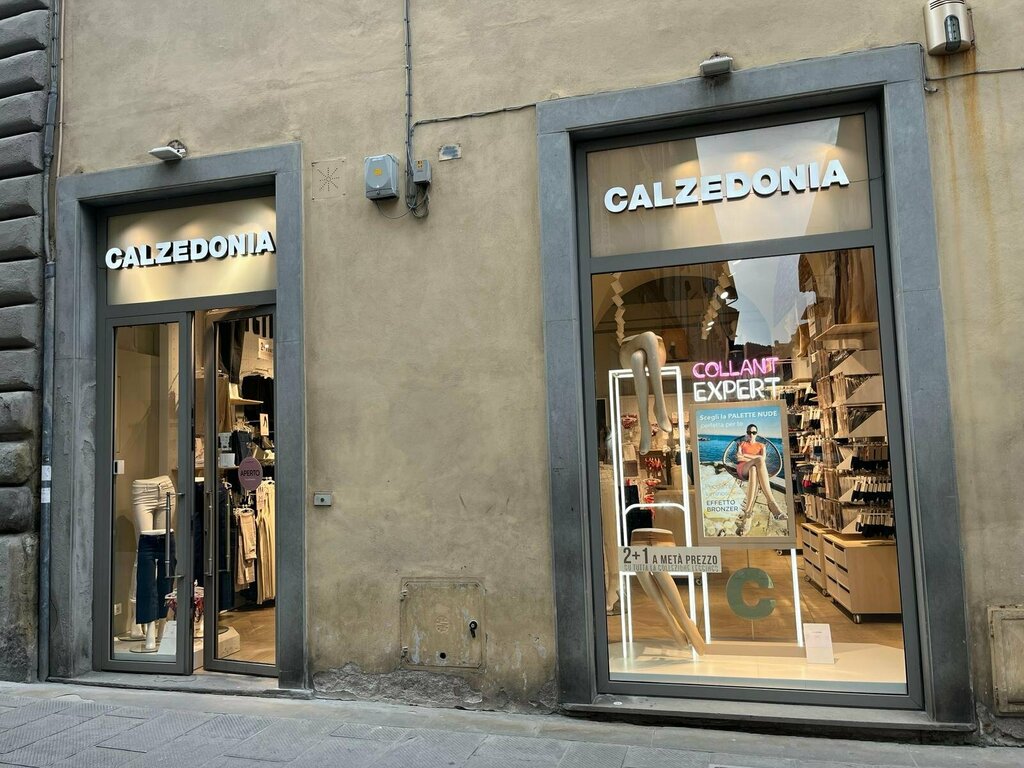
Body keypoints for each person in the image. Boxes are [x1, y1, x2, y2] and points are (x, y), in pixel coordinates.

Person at [735, 424, 783, 533]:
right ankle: (771, 502)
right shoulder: (741, 444)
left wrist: (745, 456)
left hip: (754, 469)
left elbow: (762, 458)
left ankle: (747, 515)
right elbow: (739, 458)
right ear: (746, 433)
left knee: (754, 469)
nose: (751, 434)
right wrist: (756, 459)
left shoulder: (761, 445)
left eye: (754, 432)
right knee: (758, 461)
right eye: (749, 432)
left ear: (756, 433)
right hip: (743, 468)